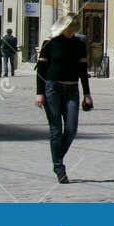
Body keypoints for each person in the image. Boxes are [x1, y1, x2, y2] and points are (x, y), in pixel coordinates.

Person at [35, 16, 92, 183]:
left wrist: (87, 93)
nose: (71, 32)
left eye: (74, 29)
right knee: (56, 129)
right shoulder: (50, 43)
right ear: (63, 27)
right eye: (69, 29)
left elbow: (83, 70)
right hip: (52, 88)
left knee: (71, 129)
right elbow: (41, 70)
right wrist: (39, 93)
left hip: (72, 89)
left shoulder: (79, 44)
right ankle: (59, 168)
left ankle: (57, 157)